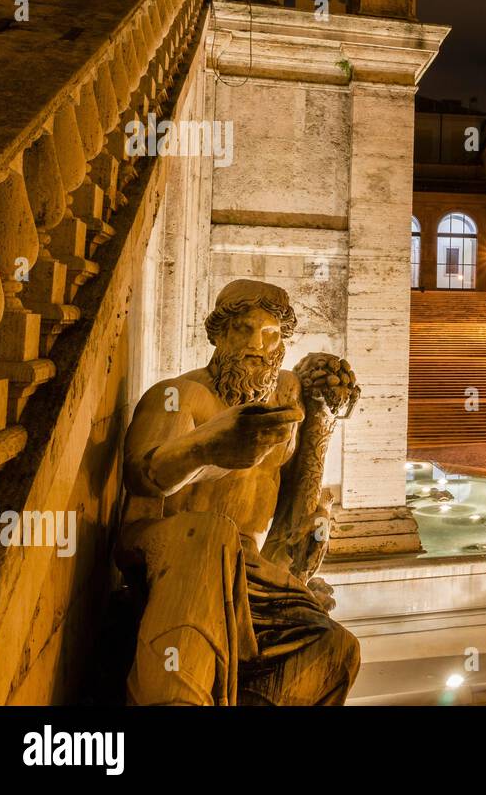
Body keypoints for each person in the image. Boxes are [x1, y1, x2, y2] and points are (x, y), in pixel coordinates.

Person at [119, 279, 360, 705]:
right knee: (211, 535)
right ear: (218, 334)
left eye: (269, 335)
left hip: (250, 571)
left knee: (337, 648)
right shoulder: (181, 396)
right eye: (243, 330)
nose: (256, 344)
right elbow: (144, 475)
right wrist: (207, 448)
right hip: (170, 544)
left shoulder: (287, 401)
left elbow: (293, 502)